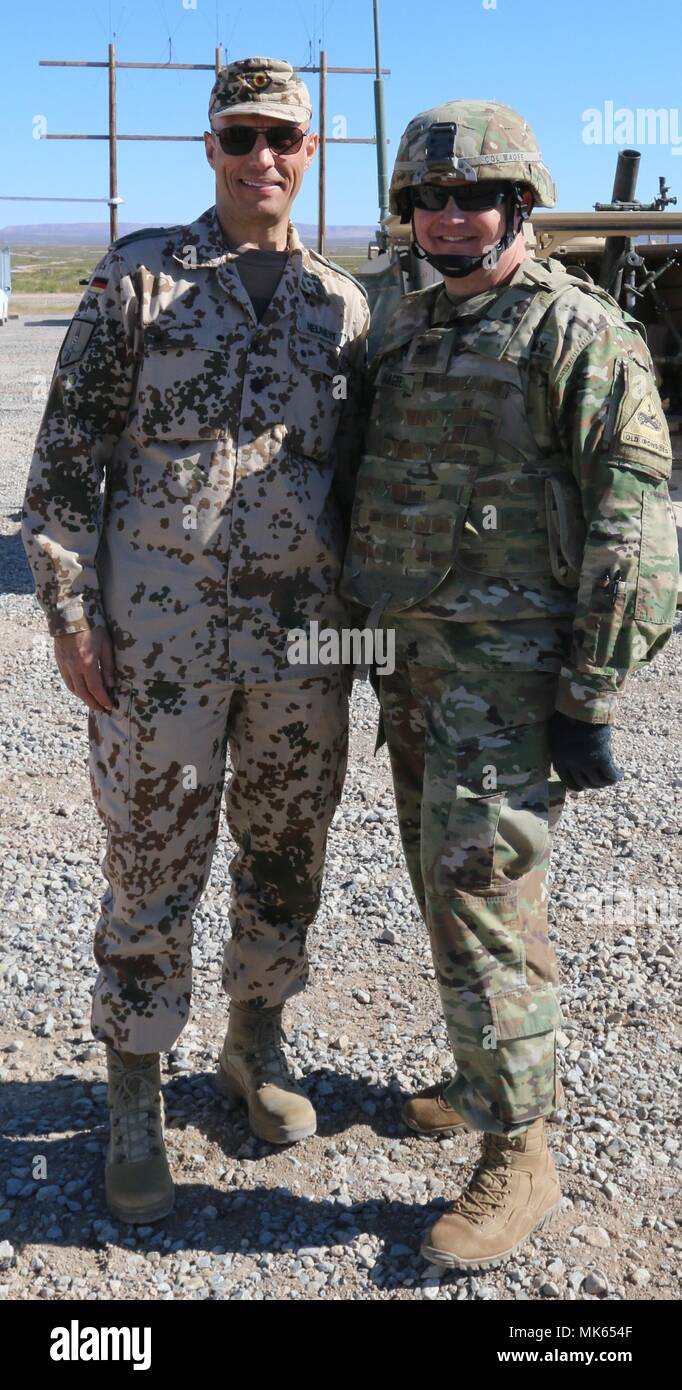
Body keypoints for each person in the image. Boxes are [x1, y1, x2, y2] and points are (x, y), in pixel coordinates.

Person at [21, 55, 369, 1224]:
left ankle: (253, 1043)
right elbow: (65, 467)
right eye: (239, 136)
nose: (260, 156)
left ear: (308, 151)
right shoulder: (138, 284)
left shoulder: (343, 305)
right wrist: (72, 616)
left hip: (301, 651)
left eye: (281, 136)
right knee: (151, 865)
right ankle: (134, 1087)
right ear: (210, 149)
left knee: (286, 852)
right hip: (158, 644)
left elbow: (361, 481)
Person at [341, 100, 679, 1268]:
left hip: (509, 682)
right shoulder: (404, 324)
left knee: (488, 903)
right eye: (426, 200)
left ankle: (518, 1152)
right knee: (445, 895)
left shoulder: (575, 334)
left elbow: (638, 533)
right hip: (411, 672)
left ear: (519, 205)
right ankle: (481, 1075)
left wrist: (590, 694)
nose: (447, 215)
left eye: (472, 196)